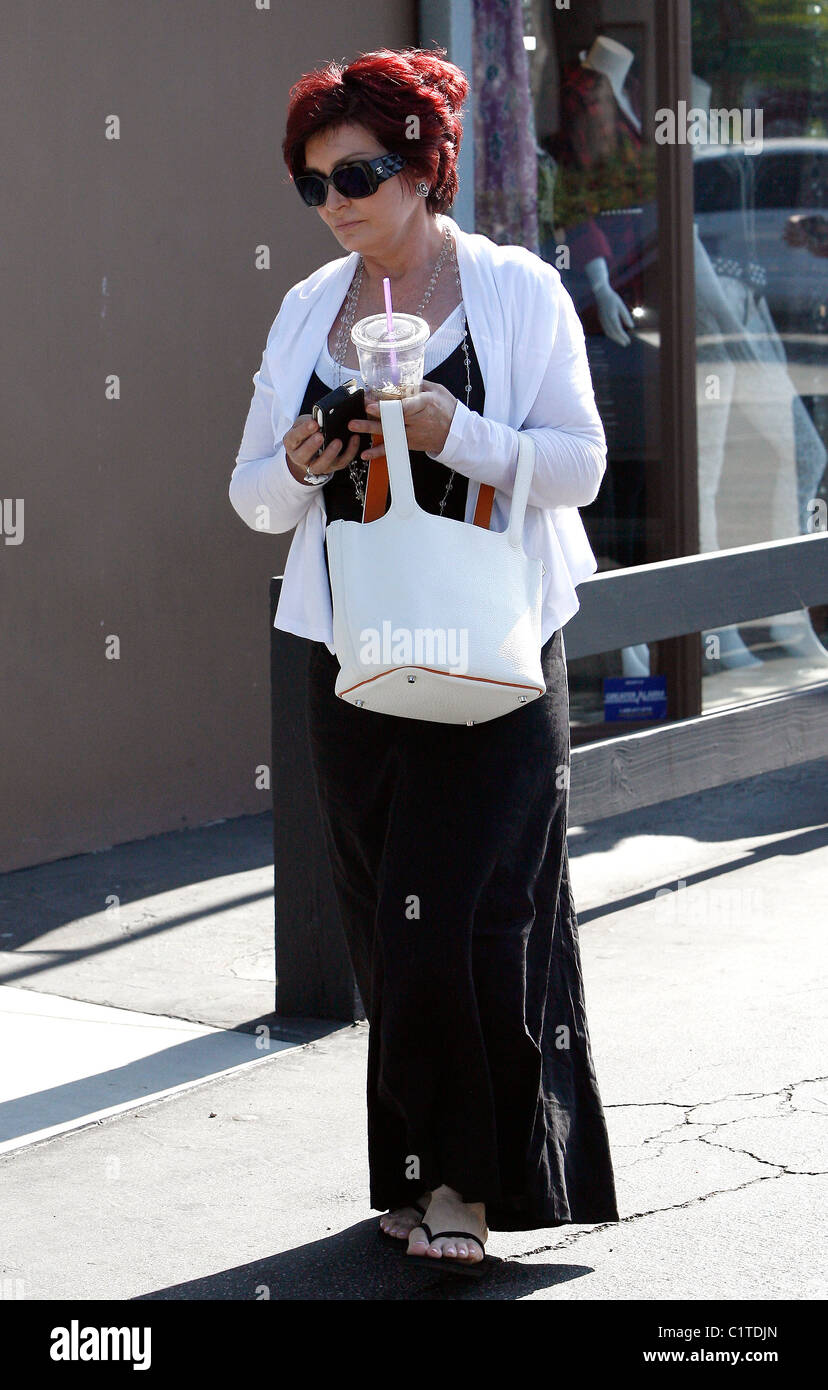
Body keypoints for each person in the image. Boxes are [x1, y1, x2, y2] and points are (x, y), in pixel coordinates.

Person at [229, 45, 619, 1271]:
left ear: (423, 166)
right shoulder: (307, 311)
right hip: (356, 659)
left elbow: (579, 466)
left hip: (495, 649)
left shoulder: (514, 291)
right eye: (315, 185)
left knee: (467, 916)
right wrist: (300, 464)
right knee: (383, 926)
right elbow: (249, 501)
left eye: (359, 173)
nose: (338, 201)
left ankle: (473, 1183)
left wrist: (464, 430)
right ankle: (410, 1174)